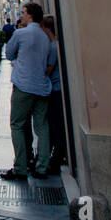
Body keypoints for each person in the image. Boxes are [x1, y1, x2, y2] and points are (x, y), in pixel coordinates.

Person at [1, 2, 53, 180]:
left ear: (30, 15)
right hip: (42, 86)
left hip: (23, 85)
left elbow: (9, 54)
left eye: (23, 12)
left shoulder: (21, 33)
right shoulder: (45, 37)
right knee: (41, 127)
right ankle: (42, 166)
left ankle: (20, 167)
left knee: (17, 125)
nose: (21, 15)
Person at [41, 15, 67, 171]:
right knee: (57, 125)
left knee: (55, 125)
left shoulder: (52, 47)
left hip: (55, 89)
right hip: (58, 88)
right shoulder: (56, 45)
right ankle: (57, 156)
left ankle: (56, 158)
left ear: (46, 28)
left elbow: (49, 70)